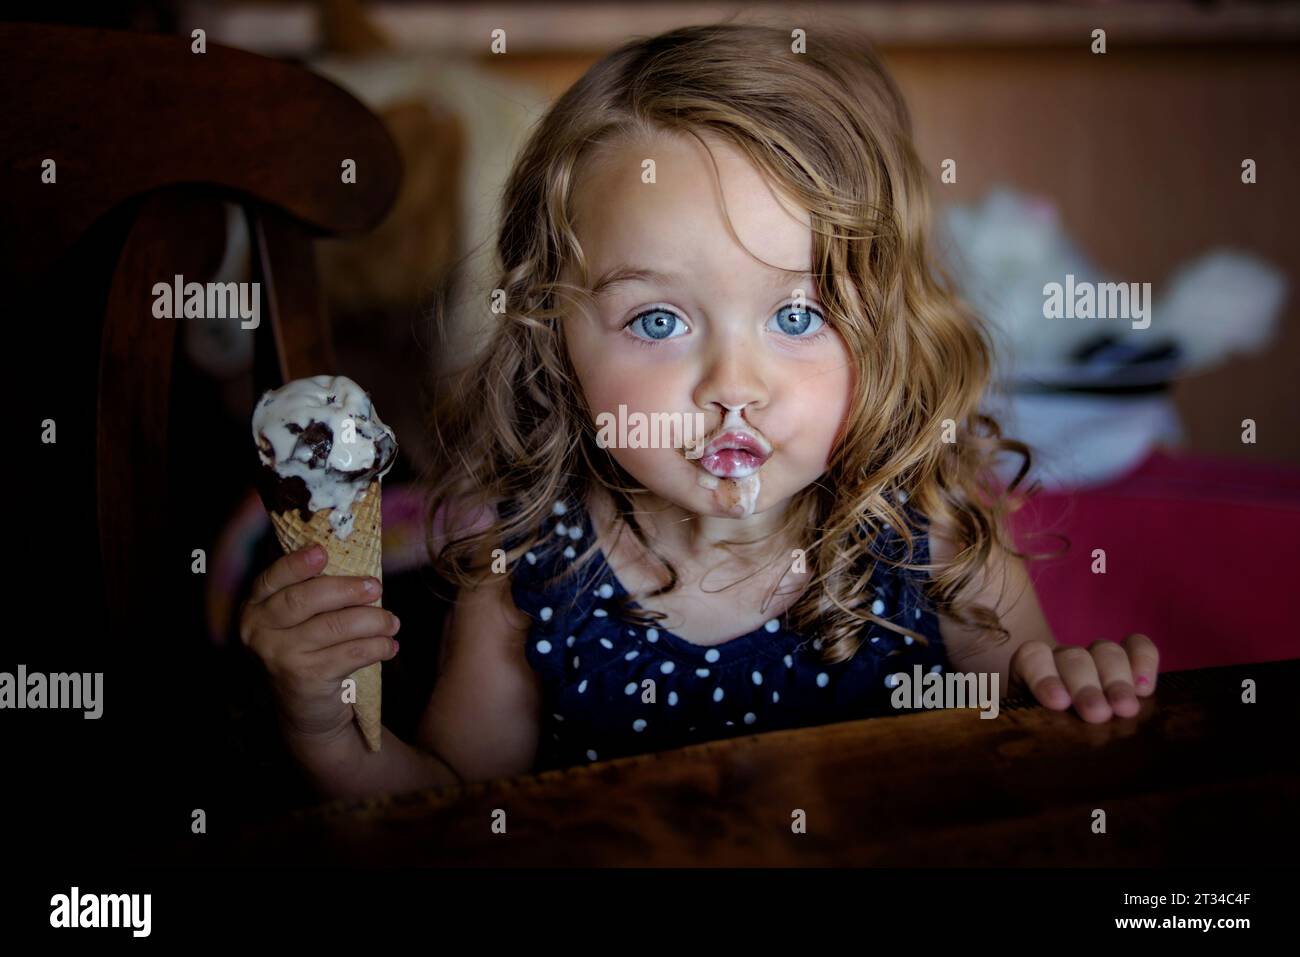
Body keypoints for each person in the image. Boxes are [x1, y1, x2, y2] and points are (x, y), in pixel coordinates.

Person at [240, 22, 1158, 801]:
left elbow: (1034, 749)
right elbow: (452, 809)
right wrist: (323, 727)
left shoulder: (939, 534)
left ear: (883, 329)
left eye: (798, 315)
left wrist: (1076, 686)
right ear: (555, 339)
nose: (733, 383)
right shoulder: (529, 578)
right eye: (659, 318)